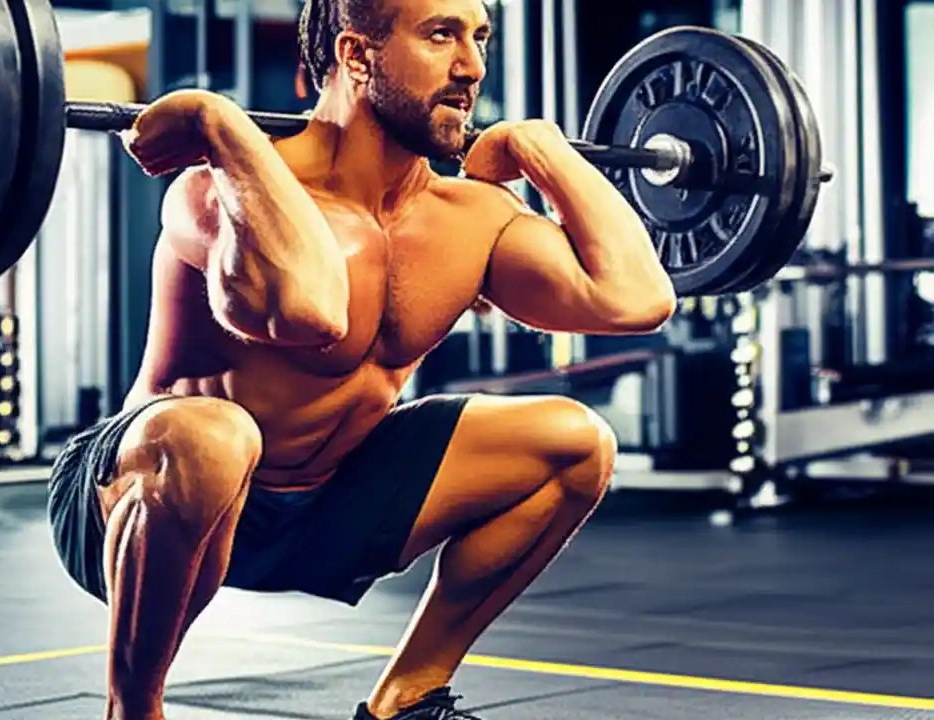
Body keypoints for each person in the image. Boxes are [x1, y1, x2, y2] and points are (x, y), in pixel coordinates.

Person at [47, 0, 677, 717]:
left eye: (480, 39)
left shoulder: (471, 217)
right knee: (215, 437)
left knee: (575, 443)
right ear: (356, 57)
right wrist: (222, 127)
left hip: (326, 505)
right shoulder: (215, 190)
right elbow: (308, 309)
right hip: (148, 503)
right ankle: (133, 708)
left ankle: (407, 700)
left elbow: (635, 300)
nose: (471, 67)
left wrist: (545, 152)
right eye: (441, 36)